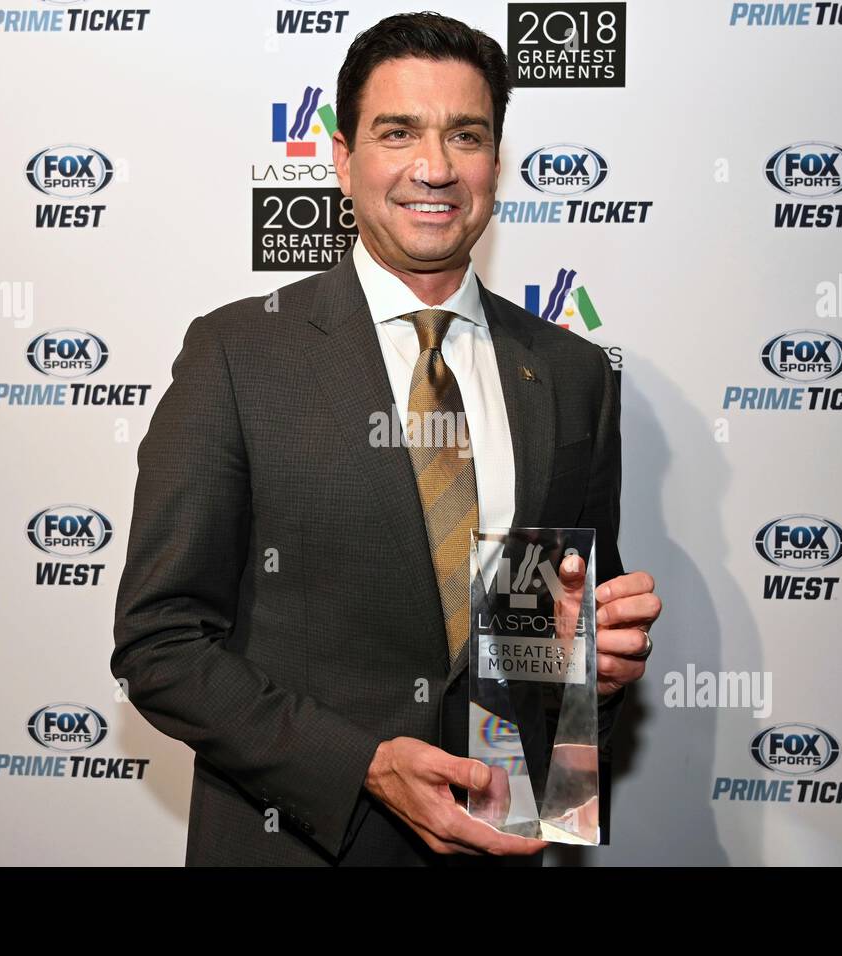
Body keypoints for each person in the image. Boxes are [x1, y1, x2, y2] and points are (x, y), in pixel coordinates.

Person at [111, 11, 661, 866]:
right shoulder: (238, 354)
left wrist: (582, 664)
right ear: (342, 157)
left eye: (465, 135)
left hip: (496, 847)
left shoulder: (572, 373)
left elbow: (563, 677)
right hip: (298, 846)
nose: (433, 167)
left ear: (496, 162)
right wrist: (362, 766)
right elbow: (161, 643)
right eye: (397, 131)